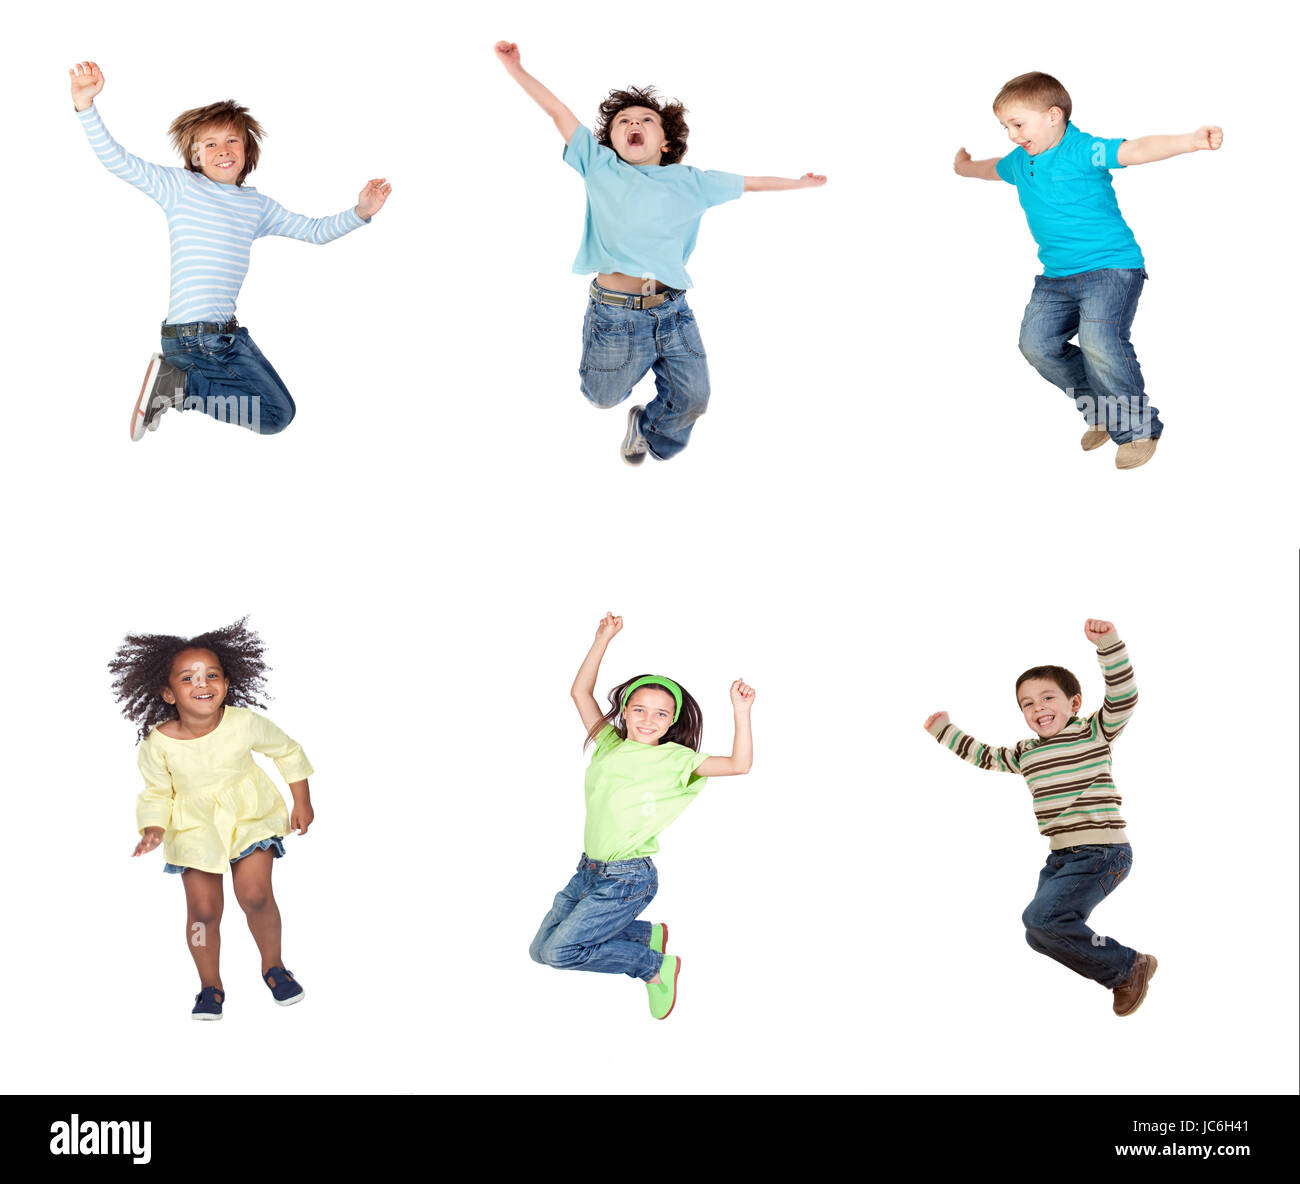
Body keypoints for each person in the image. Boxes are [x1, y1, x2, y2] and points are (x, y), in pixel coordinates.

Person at [494, 41, 826, 464]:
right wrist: (515, 68)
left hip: (672, 310)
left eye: (646, 120)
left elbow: (752, 182)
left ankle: (650, 431)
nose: (634, 123)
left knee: (695, 397)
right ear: (611, 141)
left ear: (665, 143)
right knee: (601, 397)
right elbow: (558, 111)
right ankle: (630, 375)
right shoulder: (600, 167)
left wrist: (799, 183)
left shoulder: (692, 181)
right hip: (616, 315)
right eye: (623, 121)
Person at [69, 61, 392, 440]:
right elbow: (117, 160)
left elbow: (315, 231)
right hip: (193, 339)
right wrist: (85, 106)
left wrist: (361, 212)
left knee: (279, 412)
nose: (222, 150)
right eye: (210, 144)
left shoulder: (257, 207)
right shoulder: (180, 187)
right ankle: (180, 388)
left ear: (247, 149)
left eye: (231, 140)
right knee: (274, 416)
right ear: (196, 155)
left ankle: (179, 384)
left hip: (229, 336)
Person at [954, 71, 1222, 469]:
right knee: (1036, 344)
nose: (1011, 135)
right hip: (1056, 277)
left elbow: (1135, 149)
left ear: (1053, 115)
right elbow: (990, 168)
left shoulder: (1084, 150)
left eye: (1017, 124)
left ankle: (1136, 428)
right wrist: (964, 166)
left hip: (1111, 268)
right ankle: (1101, 408)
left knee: (1099, 340)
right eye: (1005, 127)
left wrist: (1190, 141)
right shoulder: (1019, 162)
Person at [923, 619, 1156, 1015]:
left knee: (1041, 919)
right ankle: (1124, 960)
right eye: (1028, 704)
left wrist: (1108, 645)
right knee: (1042, 934)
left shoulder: (1093, 732)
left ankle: (1126, 966)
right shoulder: (1025, 751)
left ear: (1074, 704)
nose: (1038, 709)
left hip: (1103, 852)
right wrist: (945, 731)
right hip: (1062, 858)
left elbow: (1124, 696)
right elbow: (985, 756)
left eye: (1048, 698)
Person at [530, 613, 755, 1018]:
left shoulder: (678, 759)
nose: (648, 720)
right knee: (539, 951)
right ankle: (646, 935)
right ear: (626, 711)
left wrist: (740, 710)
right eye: (639, 709)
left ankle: (652, 966)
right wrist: (602, 638)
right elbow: (580, 692)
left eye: (660, 714)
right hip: (588, 872)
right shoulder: (608, 744)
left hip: (628, 878)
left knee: (561, 952)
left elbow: (740, 765)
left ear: (672, 722)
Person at [110, 618, 315, 1020]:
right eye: (188, 678)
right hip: (194, 830)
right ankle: (210, 985)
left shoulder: (243, 722)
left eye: (212, 675)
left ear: (225, 682)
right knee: (203, 913)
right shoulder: (157, 743)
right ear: (168, 693)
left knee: (255, 896)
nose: (202, 683)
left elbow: (287, 751)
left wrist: (301, 800)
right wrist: (153, 828)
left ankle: (274, 967)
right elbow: (157, 792)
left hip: (249, 817)